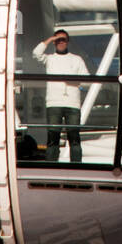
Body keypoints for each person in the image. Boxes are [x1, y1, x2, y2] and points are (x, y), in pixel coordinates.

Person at [32, 30, 89, 163]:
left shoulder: (76, 59)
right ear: (54, 42)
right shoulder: (50, 58)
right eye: (58, 40)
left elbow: (87, 81)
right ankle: (51, 166)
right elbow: (36, 53)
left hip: (72, 103)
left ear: (67, 42)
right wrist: (50, 38)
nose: (61, 42)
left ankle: (76, 168)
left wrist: (73, 81)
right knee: (53, 137)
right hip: (53, 103)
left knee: (74, 138)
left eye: (63, 39)